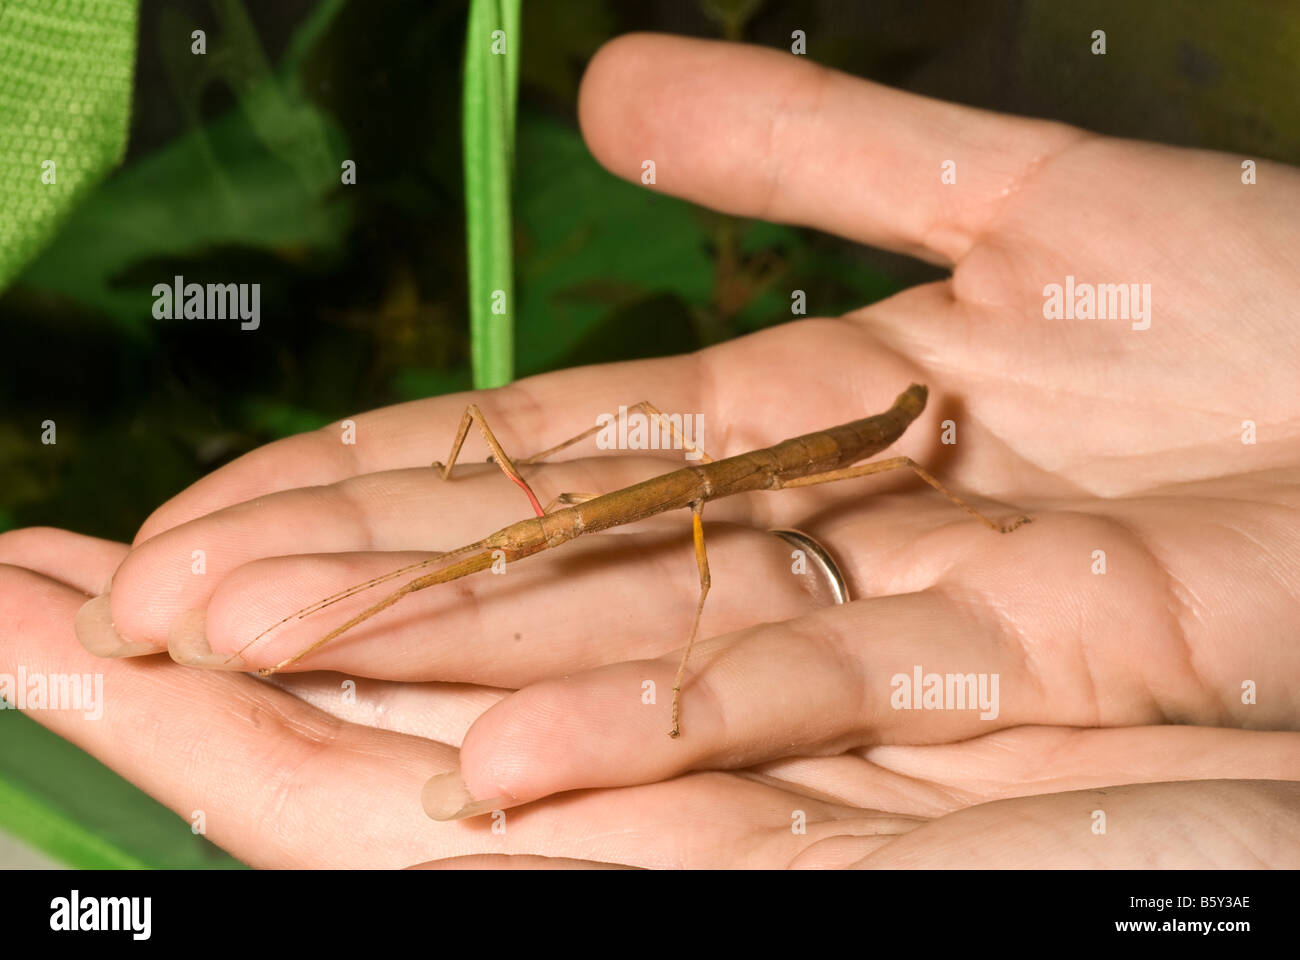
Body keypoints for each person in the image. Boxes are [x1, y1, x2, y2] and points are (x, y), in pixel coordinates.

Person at [2, 34, 1297, 868]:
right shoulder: (542, 525)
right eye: (515, 538)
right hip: (722, 468)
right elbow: (515, 527)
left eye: (515, 538)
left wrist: (682, 676)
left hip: (836, 445)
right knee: (474, 551)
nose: (512, 547)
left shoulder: (722, 501)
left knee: (849, 467)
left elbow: (710, 548)